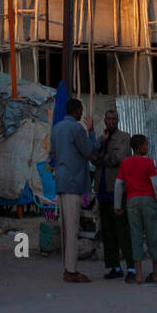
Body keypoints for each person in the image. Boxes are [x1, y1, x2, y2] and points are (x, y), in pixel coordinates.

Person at [48, 98, 99, 283]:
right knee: (72, 228)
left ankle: (67, 267)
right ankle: (71, 270)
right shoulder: (76, 128)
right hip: (73, 181)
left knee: (65, 227)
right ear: (77, 111)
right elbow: (88, 151)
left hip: (61, 181)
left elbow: (51, 155)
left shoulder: (56, 128)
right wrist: (92, 133)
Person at [92, 106, 134, 281]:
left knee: (122, 230)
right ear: (104, 121)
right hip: (102, 190)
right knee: (107, 231)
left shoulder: (124, 137)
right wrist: (101, 146)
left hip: (118, 191)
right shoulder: (102, 139)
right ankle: (114, 266)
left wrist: (102, 159)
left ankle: (131, 266)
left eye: (113, 119)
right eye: (108, 119)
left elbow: (120, 158)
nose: (110, 122)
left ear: (117, 121)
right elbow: (93, 156)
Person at [114, 134, 157, 284]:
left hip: (132, 202)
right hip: (148, 200)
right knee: (153, 235)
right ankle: (155, 273)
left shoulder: (125, 163)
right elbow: (155, 184)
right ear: (139, 147)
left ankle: (139, 275)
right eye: (146, 145)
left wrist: (117, 205)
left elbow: (118, 185)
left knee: (135, 236)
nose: (147, 147)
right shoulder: (149, 163)